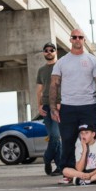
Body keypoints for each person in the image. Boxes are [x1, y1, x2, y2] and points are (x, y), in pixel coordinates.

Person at [49, 29, 96, 182]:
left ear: (84, 40)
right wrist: (53, 107)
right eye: (74, 37)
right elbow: (54, 84)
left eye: (80, 37)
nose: (77, 39)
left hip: (89, 106)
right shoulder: (61, 62)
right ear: (70, 39)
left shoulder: (92, 60)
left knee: (92, 140)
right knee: (67, 141)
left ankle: (94, 173)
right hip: (68, 107)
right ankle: (69, 174)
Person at [35, 42, 62, 176]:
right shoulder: (41, 70)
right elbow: (39, 90)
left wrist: (61, 102)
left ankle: (47, 158)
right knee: (53, 136)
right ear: (44, 53)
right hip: (46, 105)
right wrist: (39, 105)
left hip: (59, 105)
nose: (49, 52)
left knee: (56, 136)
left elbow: (66, 85)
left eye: (52, 50)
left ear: (55, 51)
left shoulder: (61, 66)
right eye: (46, 50)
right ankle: (60, 166)